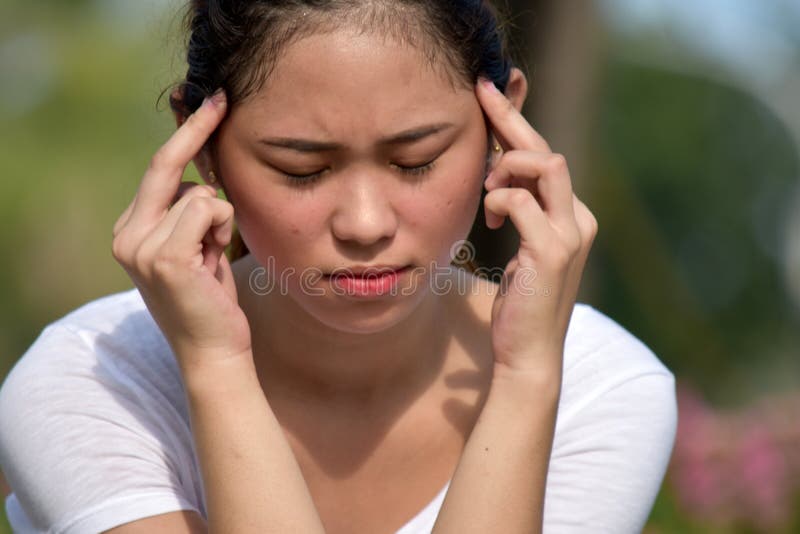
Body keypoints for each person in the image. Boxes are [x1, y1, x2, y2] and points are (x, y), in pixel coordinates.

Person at [0, 1, 677, 533]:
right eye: (301, 169)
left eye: (415, 162)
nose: (364, 223)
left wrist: (528, 378)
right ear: (200, 145)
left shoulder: (601, 389)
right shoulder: (94, 382)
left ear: (503, 130)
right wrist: (216, 371)